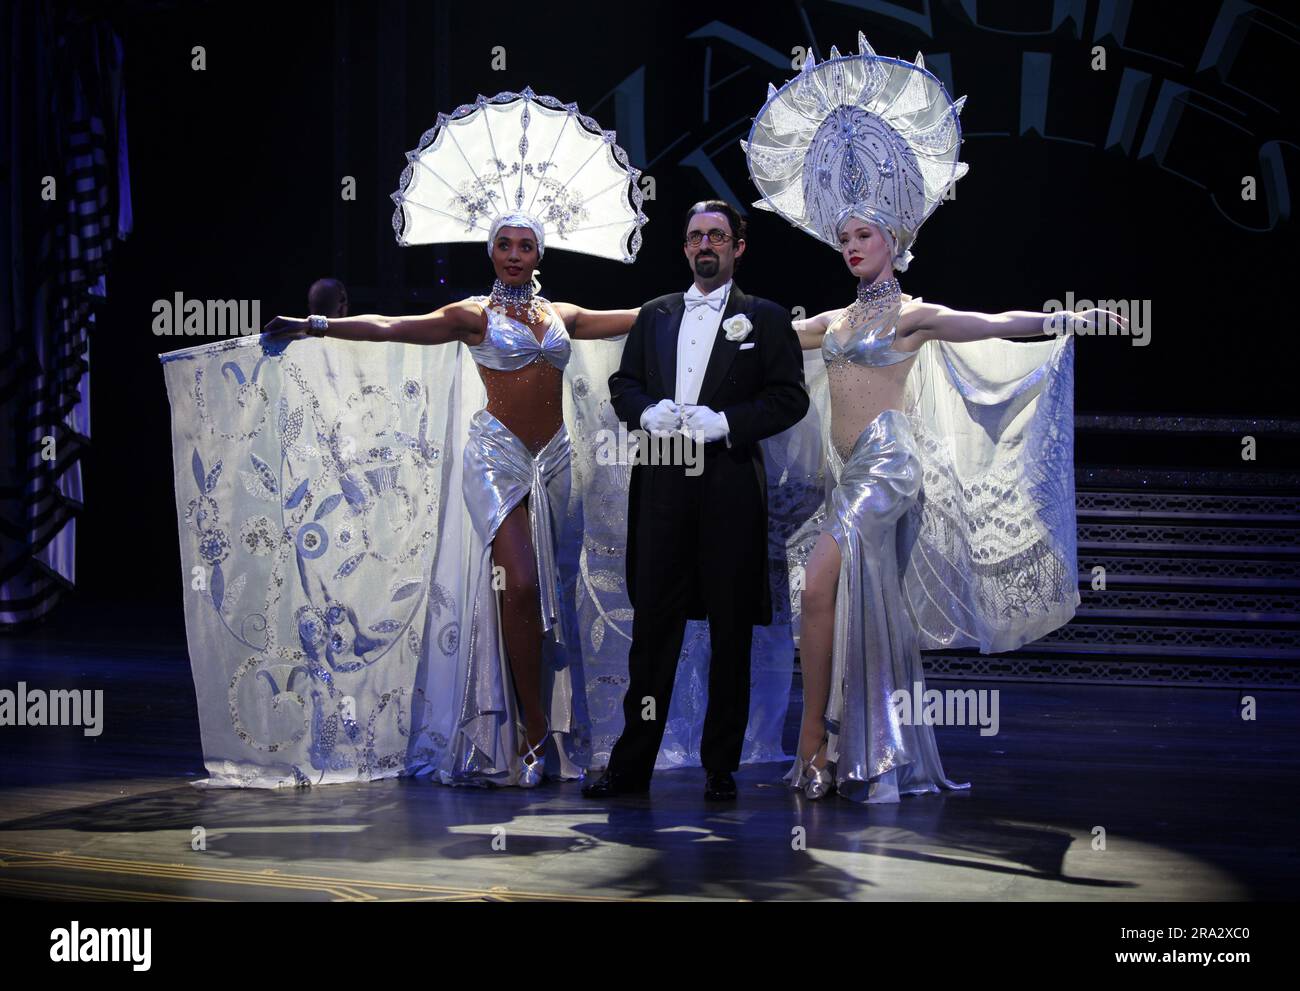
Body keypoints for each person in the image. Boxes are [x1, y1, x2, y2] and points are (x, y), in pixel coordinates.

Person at [743, 35, 1124, 802]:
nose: (853, 247)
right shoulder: (835, 321)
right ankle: (857, 746)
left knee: (820, 587)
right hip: (850, 471)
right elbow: (767, 329)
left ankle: (817, 740)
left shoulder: (916, 317)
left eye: (866, 236)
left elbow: (995, 322)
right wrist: (698, 326)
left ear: (896, 239)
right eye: (846, 238)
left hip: (889, 466)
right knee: (848, 600)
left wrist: (1069, 318)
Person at [265, 88, 646, 788]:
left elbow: (635, 317)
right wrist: (315, 325)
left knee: (551, 594)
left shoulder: (560, 313)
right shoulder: (469, 315)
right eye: (502, 242)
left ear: (539, 251)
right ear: (489, 248)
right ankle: (533, 733)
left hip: (556, 460)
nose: (512, 253)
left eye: (524, 243)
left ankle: (542, 726)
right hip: (496, 454)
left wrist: (704, 304)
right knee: (521, 583)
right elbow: (387, 326)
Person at [582, 200, 810, 801]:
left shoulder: (762, 316)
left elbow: (790, 398)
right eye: (694, 236)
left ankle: (720, 766)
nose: (704, 244)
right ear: (684, 248)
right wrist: (645, 411)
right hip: (661, 482)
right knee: (655, 627)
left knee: (731, 629)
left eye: (717, 234)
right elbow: (622, 385)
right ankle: (632, 766)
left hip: (729, 483)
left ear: (738, 245)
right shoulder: (655, 314)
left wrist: (727, 421)